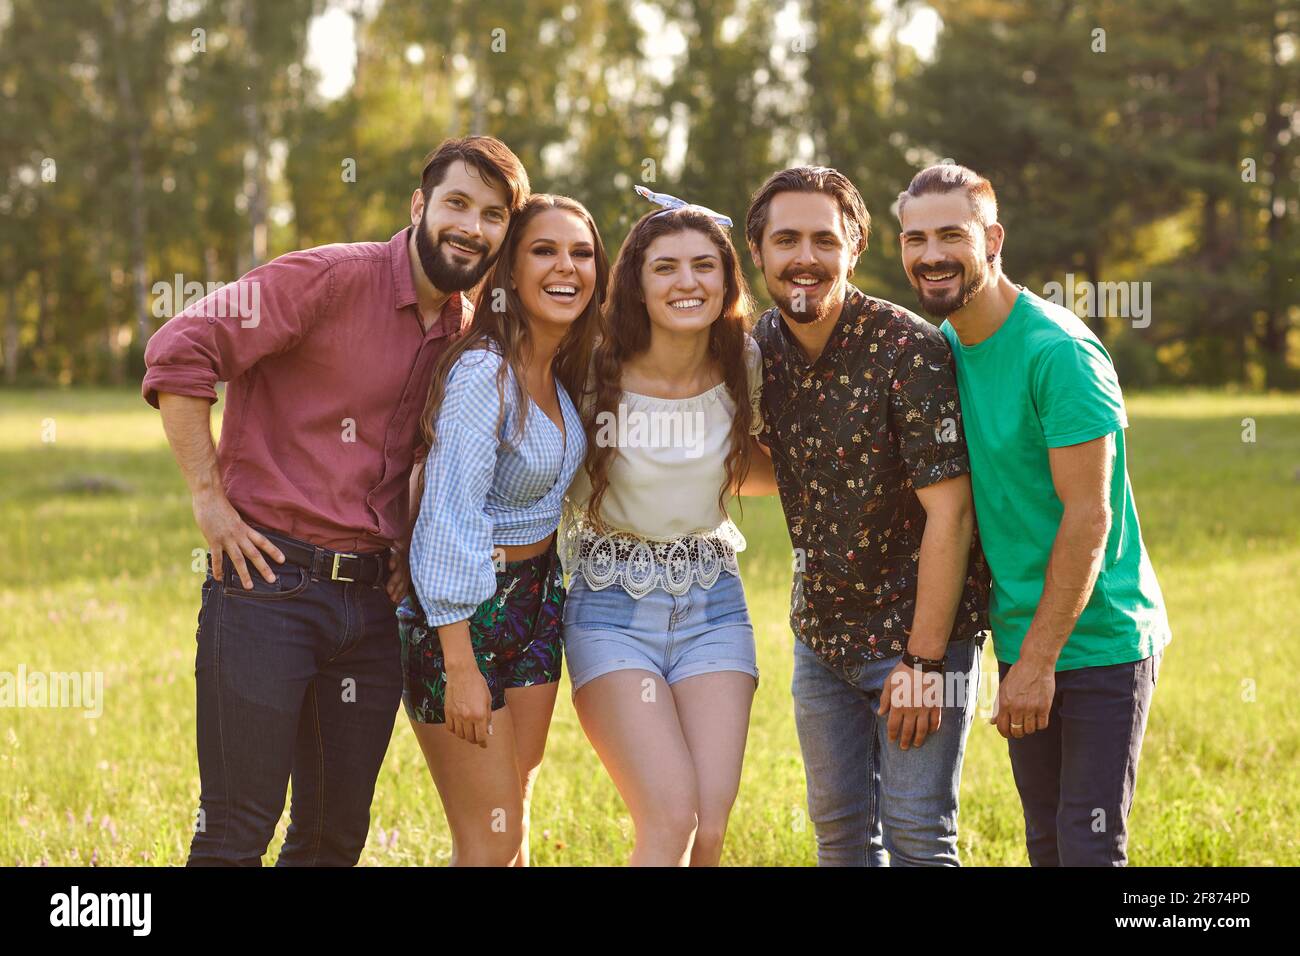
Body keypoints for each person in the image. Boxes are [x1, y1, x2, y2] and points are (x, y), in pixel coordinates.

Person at [141, 135, 529, 866]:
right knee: (236, 830)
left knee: (333, 838)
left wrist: (407, 546)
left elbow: (429, 460)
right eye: (456, 204)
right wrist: (208, 497)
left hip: (370, 612)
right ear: (420, 205)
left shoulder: (464, 331)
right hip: (266, 589)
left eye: (493, 215)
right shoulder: (322, 279)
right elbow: (180, 349)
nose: (471, 227)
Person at [895, 162, 1171, 866]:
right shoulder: (950, 345)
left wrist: (1039, 663)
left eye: (951, 234)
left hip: (1099, 639)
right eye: (914, 237)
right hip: (1021, 632)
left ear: (992, 239)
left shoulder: (1058, 352)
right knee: (1047, 841)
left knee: (1088, 844)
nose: (930, 255)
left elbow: (1089, 517)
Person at [745, 165, 990, 866]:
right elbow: (780, 473)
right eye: (785, 240)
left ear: (854, 248)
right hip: (820, 638)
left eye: (824, 239)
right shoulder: (761, 347)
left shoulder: (907, 348)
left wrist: (923, 658)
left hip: (916, 638)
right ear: (757, 253)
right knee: (842, 838)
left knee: (917, 836)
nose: (804, 259)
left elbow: (952, 514)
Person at [559, 190, 776, 866]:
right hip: (610, 606)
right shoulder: (590, 368)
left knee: (709, 827)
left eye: (705, 265)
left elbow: (749, 468)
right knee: (671, 816)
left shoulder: (743, 361)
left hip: (714, 602)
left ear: (726, 279)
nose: (688, 282)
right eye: (666, 267)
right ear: (636, 283)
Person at [401, 194, 606, 867]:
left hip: (539, 598)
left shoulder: (562, 369)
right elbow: (446, 515)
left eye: (581, 253)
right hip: (463, 616)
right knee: (489, 844)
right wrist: (459, 663)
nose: (566, 267)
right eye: (544, 251)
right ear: (510, 273)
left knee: (513, 814)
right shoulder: (482, 372)